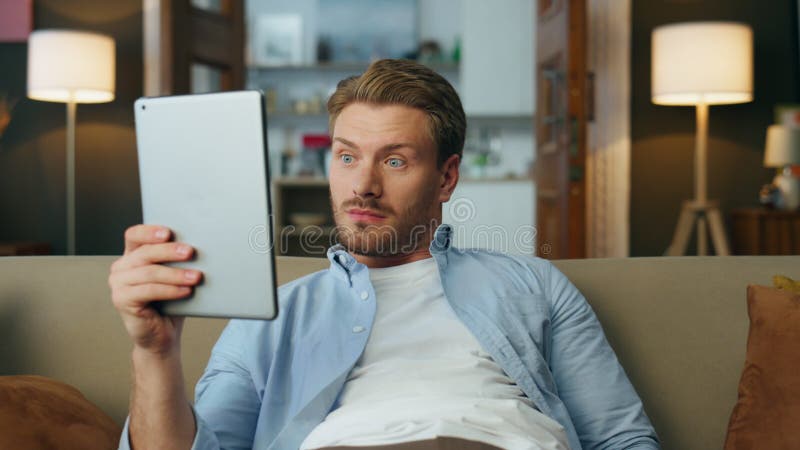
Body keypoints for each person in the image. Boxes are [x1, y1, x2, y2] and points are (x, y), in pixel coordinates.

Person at [109, 59, 659, 450]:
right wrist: (154, 353)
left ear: (447, 177)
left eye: (394, 162)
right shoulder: (272, 317)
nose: (362, 186)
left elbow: (621, 438)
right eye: (347, 157)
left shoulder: (534, 285)